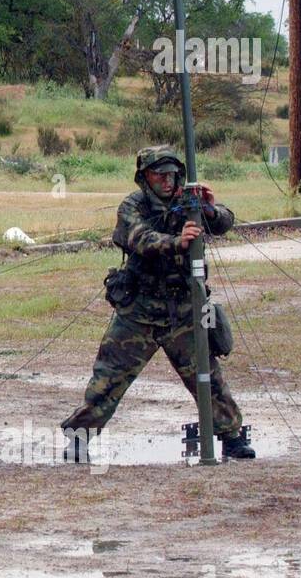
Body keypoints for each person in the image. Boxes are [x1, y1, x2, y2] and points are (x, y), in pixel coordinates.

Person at [61, 145, 255, 459]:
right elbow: (139, 238)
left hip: (183, 311)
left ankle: (232, 436)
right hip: (139, 311)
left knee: (206, 377)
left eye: (172, 174)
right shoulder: (133, 206)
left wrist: (208, 209)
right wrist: (177, 242)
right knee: (109, 379)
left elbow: (224, 222)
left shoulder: (187, 202)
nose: (167, 181)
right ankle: (79, 439)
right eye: (159, 175)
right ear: (145, 177)